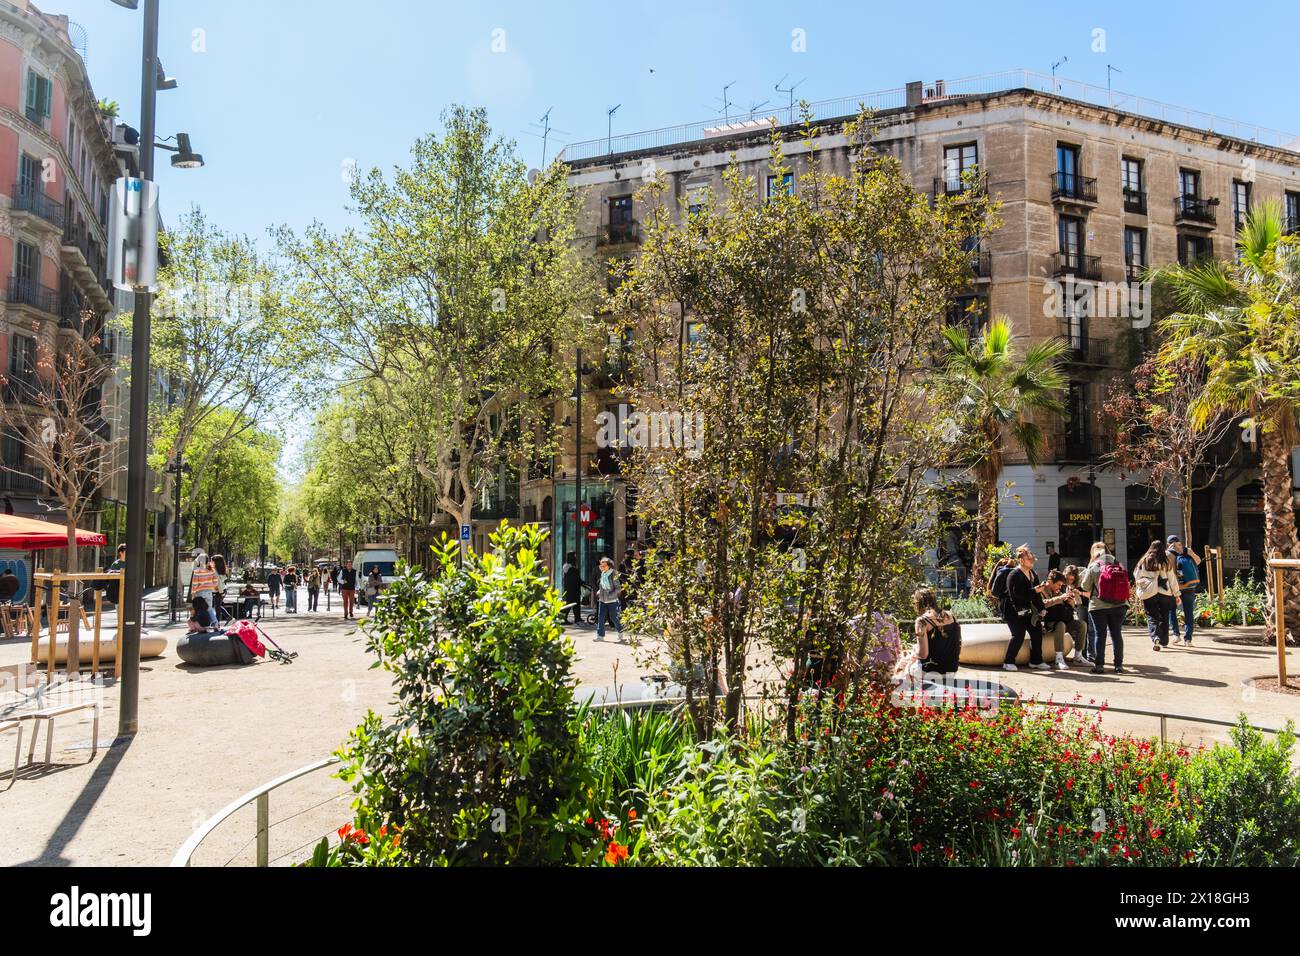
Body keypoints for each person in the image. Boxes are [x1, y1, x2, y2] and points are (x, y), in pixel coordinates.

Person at [1081, 542, 1128, 674]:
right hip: (1119, 605)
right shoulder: (1119, 564)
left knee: (1100, 635)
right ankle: (1118, 666)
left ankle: (1099, 665)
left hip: (1098, 606)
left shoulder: (1095, 566)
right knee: (1116, 634)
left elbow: (1085, 586)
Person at [1134, 540, 1180, 652]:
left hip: (1150, 593)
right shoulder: (1165, 561)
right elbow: (1172, 578)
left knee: (1152, 616)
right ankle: (1164, 640)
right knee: (1164, 616)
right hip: (1165, 593)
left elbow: (1137, 576)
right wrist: (1177, 594)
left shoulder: (1144, 561)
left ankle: (1156, 637)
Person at [1041, 569, 1085, 670]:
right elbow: (1043, 604)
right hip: (1047, 623)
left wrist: (1071, 602)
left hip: (1060, 619)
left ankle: (1078, 657)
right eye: (1059, 585)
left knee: (1082, 624)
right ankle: (1058, 659)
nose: (1060, 587)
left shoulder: (1057, 590)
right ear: (1051, 582)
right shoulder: (1041, 589)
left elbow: (1065, 603)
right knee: (1061, 625)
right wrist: (1059, 598)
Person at [911, 588, 961, 674]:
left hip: (932, 672)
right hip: (952, 670)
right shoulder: (952, 616)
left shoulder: (922, 621)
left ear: (918, 603)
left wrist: (914, 650)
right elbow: (959, 644)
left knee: (904, 667)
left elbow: (923, 654)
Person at [1166, 535, 1202, 646]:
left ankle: (1176, 635)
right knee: (1189, 612)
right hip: (1189, 586)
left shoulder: (1168, 554)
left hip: (1175, 587)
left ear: (1168, 544)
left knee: (1172, 610)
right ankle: (1188, 639)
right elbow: (1198, 561)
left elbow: (1165, 569)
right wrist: (1189, 552)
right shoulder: (1187, 551)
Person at [594, 556, 623, 642]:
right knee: (601, 617)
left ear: (609, 565)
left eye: (604, 566)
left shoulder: (614, 574)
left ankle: (620, 631)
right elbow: (603, 586)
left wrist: (610, 595)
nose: (602, 568)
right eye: (601, 566)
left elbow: (618, 588)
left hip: (612, 600)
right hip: (602, 600)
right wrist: (599, 591)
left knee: (613, 617)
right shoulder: (603, 574)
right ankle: (600, 635)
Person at [561, 552, 583, 625]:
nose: (576, 558)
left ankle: (577, 618)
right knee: (572, 604)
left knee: (572, 604)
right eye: (575, 557)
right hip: (574, 589)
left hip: (568, 589)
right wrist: (583, 583)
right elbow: (577, 579)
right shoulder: (572, 569)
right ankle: (564, 618)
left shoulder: (566, 567)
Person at [211, 554, 229, 622]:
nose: (211, 562)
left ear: (216, 562)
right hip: (221, 590)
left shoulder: (216, 571)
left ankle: (217, 623)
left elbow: (218, 583)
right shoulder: (219, 570)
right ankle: (228, 617)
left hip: (220, 591)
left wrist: (221, 592)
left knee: (217, 608)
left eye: (212, 561)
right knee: (217, 606)